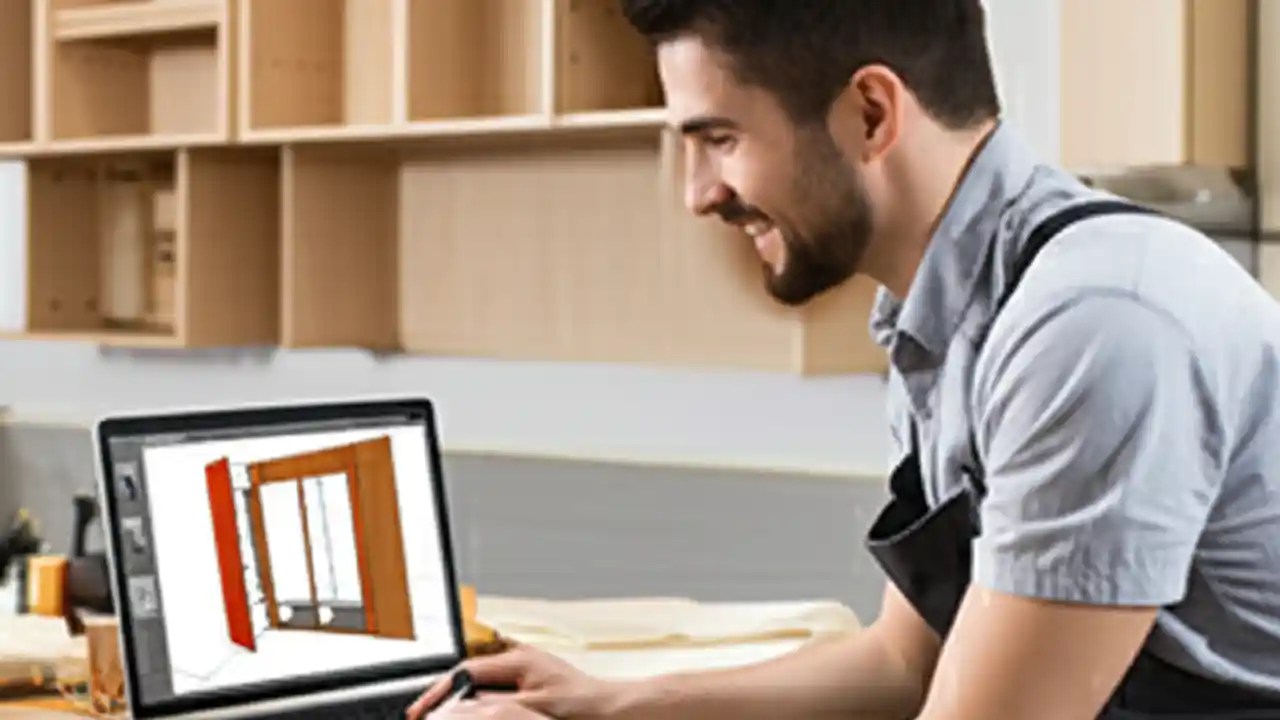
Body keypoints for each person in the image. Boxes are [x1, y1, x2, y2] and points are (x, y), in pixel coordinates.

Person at [409, 1, 1280, 718]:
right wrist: (614, 705)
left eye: (718, 138)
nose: (697, 193)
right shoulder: (950, 313)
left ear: (871, 113)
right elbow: (905, 664)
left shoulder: (1091, 326)